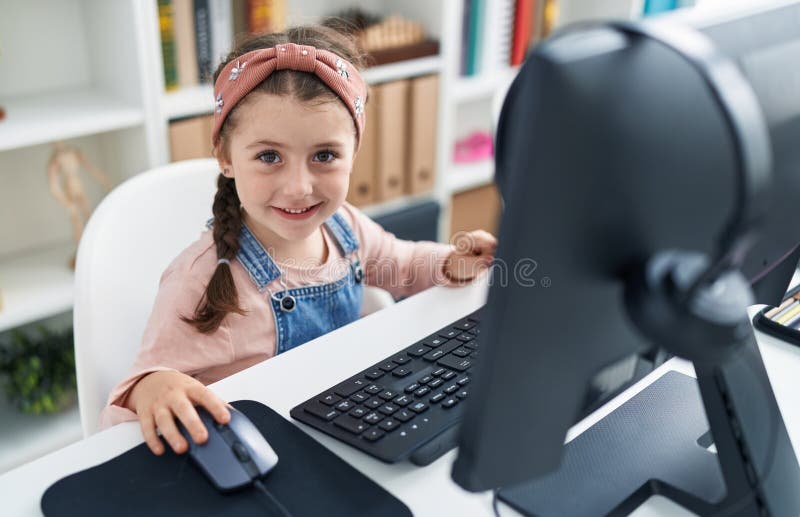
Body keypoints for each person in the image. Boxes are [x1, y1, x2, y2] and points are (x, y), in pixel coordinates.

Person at [100, 26, 497, 456]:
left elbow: (401, 263)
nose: (298, 187)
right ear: (225, 156)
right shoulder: (198, 279)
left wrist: (450, 261)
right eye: (269, 157)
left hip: (350, 434)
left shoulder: (346, 228)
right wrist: (152, 387)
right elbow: (117, 417)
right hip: (265, 459)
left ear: (354, 151)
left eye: (324, 156)